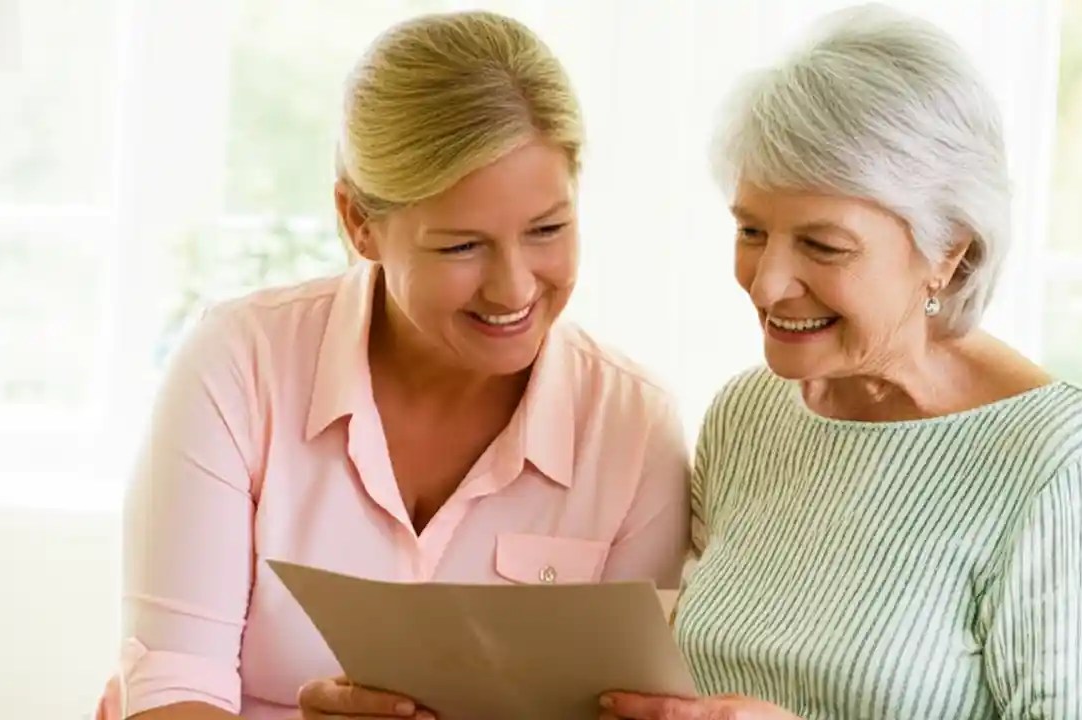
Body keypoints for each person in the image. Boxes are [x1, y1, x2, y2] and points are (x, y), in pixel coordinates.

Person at [96, 10, 690, 720]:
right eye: (461, 246)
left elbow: (625, 710)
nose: (515, 288)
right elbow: (173, 683)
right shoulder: (239, 364)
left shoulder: (631, 427)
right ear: (358, 223)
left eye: (547, 231)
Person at [601, 5, 1082, 719]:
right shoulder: (747, 415)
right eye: (751, 230)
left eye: (823, 246)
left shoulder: (1054, 459)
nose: (767, 283)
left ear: (947, 252)